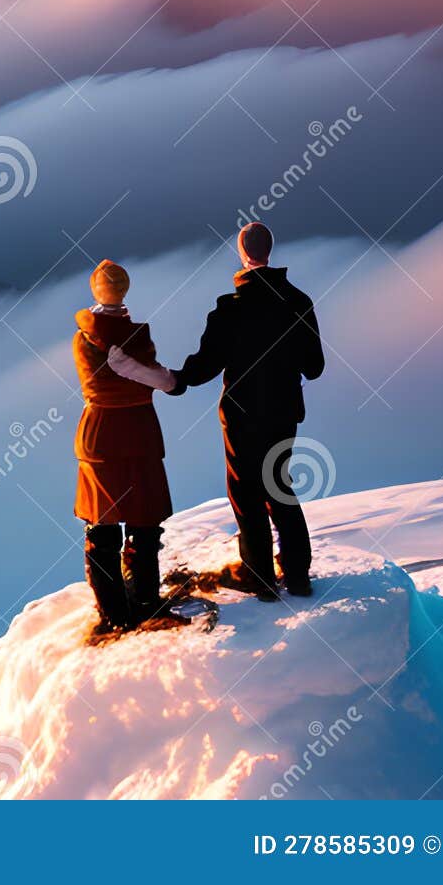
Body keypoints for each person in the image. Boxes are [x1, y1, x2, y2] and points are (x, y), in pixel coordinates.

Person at [108, 223, 323, 601]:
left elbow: (203, 367)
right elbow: (315, 367)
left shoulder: (230, 309)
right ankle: (298, 576)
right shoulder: (299, 302)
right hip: (284, 411)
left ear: (242, 254)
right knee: (279, 485)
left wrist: (170, 380)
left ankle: (261, 580)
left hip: (241, 415)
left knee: (246, 492)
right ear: (269, 250)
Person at [72, 259, 174, 636]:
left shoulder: (83, 338)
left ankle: (114, 614)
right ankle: (145, 600)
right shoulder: (140, 338)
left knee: (102, 527)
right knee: (144, 522)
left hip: (99, 433)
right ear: (124, 291)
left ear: (95, 290)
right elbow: (153, 379)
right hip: (140, 431)